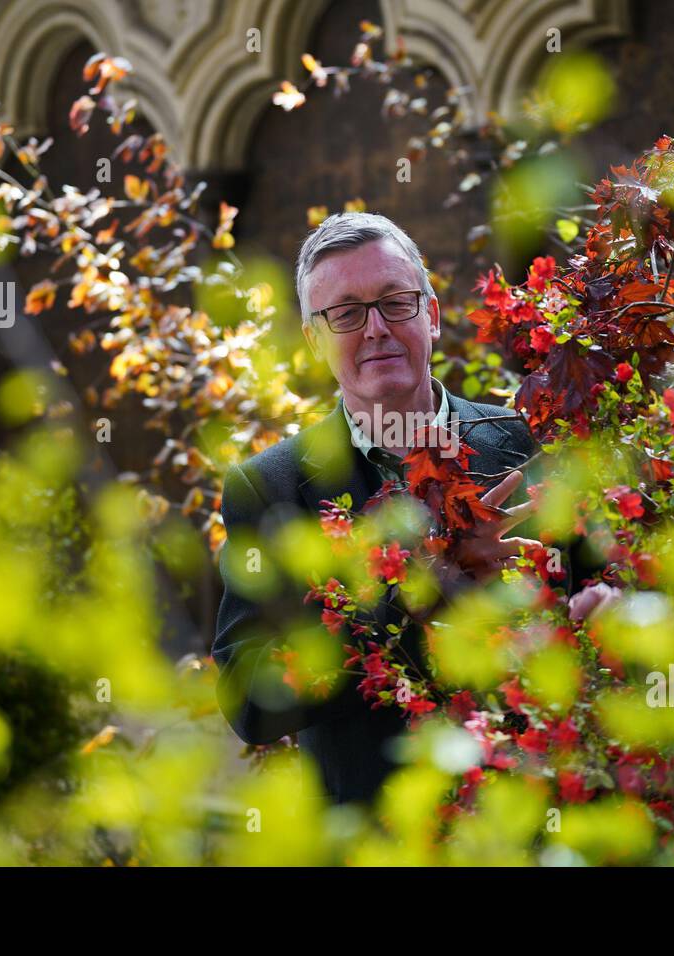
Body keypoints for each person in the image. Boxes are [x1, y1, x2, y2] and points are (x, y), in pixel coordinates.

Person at [211, 212, 542, 806]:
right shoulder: (269, 490)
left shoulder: (529, 444)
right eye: (345, 312)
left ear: (432, 316)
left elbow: (603, 592)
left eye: (395, 301)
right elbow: (250, 700)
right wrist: (408, 605)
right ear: (315, 340)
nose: (375, 329)